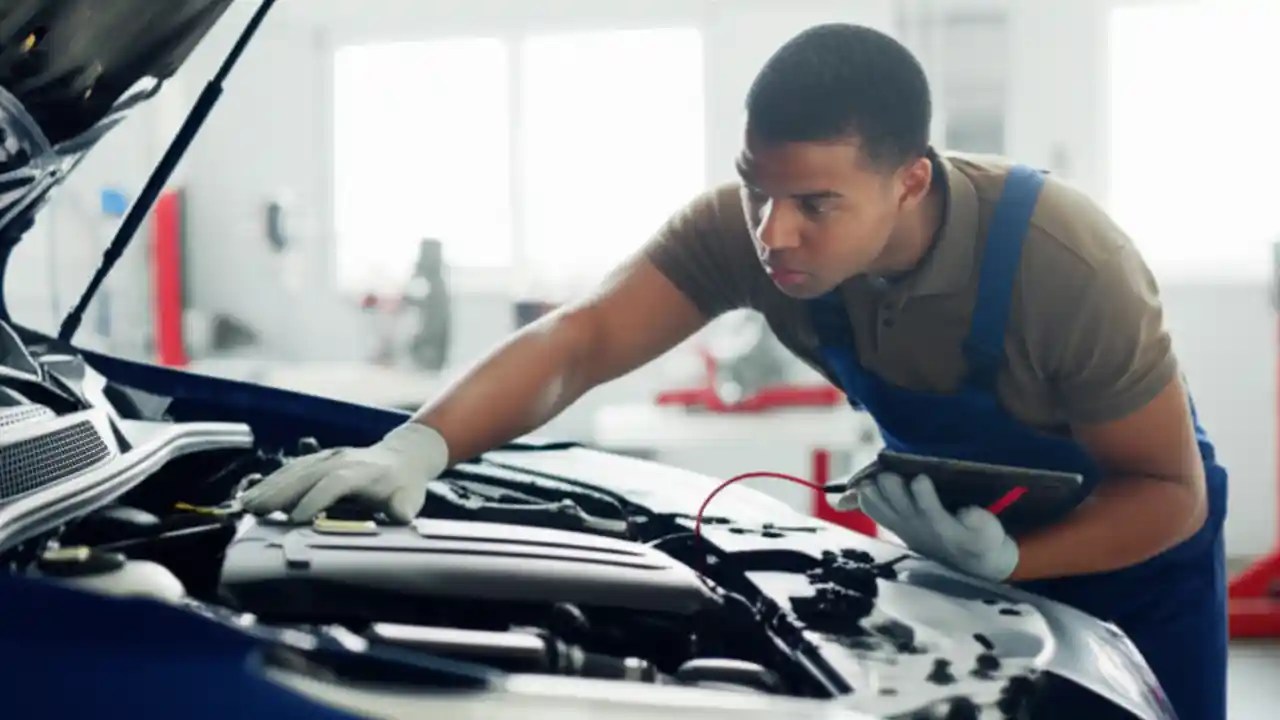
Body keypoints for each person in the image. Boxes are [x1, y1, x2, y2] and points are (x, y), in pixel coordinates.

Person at [242, 23, 1227, 720]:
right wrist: (422, 442)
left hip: (1133, 558)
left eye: (813, 203)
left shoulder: (1064, 264)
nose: (772, 234)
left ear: (909, 180)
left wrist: (1018, 564)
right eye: (756, 187)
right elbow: (581, 341)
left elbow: (1165, 491)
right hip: (961, 550)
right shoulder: (745, 228)